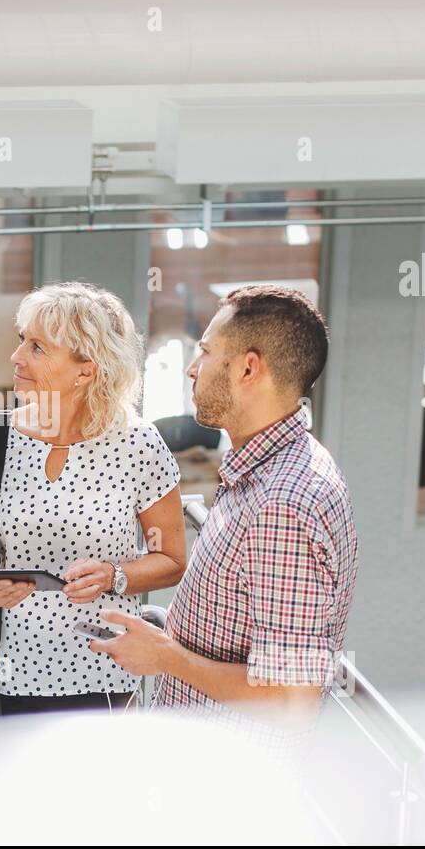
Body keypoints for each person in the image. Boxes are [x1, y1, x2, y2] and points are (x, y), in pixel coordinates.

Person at [93, 284, 359, 743]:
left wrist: (163, 657)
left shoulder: (283, 506)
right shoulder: (264, 471)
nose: (193, 369)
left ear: (248, 368)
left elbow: (290, 700)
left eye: (206, 352)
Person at [0, 281, 187, 715]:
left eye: (38, 348)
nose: (17, 357)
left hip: (102, 674)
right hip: (2, 667)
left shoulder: (139, 445)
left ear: (86, 369)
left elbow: (172, 559)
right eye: (22, 340)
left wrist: (114, 575)